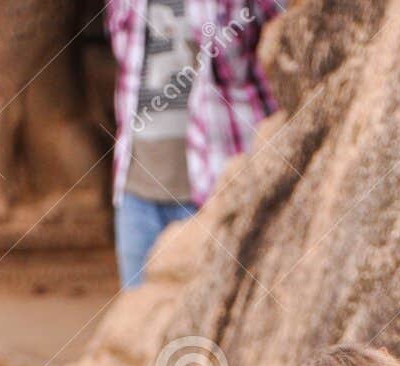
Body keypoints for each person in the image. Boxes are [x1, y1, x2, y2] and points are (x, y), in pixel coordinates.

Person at [107, 1, 285, 289]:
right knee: (138, 309)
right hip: (136, 190)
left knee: (209, 311)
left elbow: (243, 62)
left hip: (211, 189)